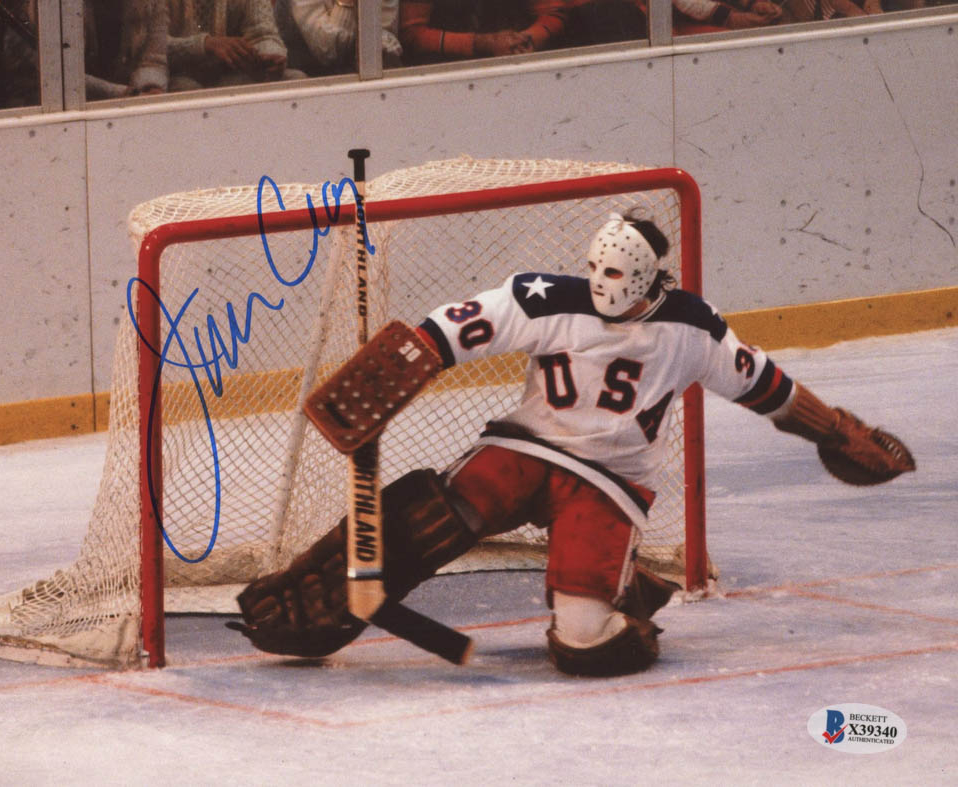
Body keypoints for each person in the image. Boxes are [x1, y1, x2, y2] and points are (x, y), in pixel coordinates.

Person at [229, 211, 915, 677]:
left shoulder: (694, 330)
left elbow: (770, 389)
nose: (600, 282)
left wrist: (836, 429)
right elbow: (455, 325)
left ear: (648, 278)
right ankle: (315, 606)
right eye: (595, 268)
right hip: (527, 449)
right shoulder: (543, 296)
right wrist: (401, 366)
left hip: (611, 481)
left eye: (616, 275)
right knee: (430, 515)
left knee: (583, 645)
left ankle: (625, 590)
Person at [167, 0, 302, 91]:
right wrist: (204, 44)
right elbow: (153, 48)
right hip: (175, 76)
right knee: (188, 91)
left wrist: (269, 56)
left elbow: (263, 33)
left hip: (229, 74)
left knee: (295, 80)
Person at [398, 0, 570, 64]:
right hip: (444, 72)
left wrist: (525, 41)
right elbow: (411, 35)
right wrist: (482, 44)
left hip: (517, 62)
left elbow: (553, 13)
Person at [275, 0, 402, 75]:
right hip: (310, 83)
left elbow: (383, 36)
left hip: (366, 77)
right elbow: (329, 51)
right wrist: (346, 2)